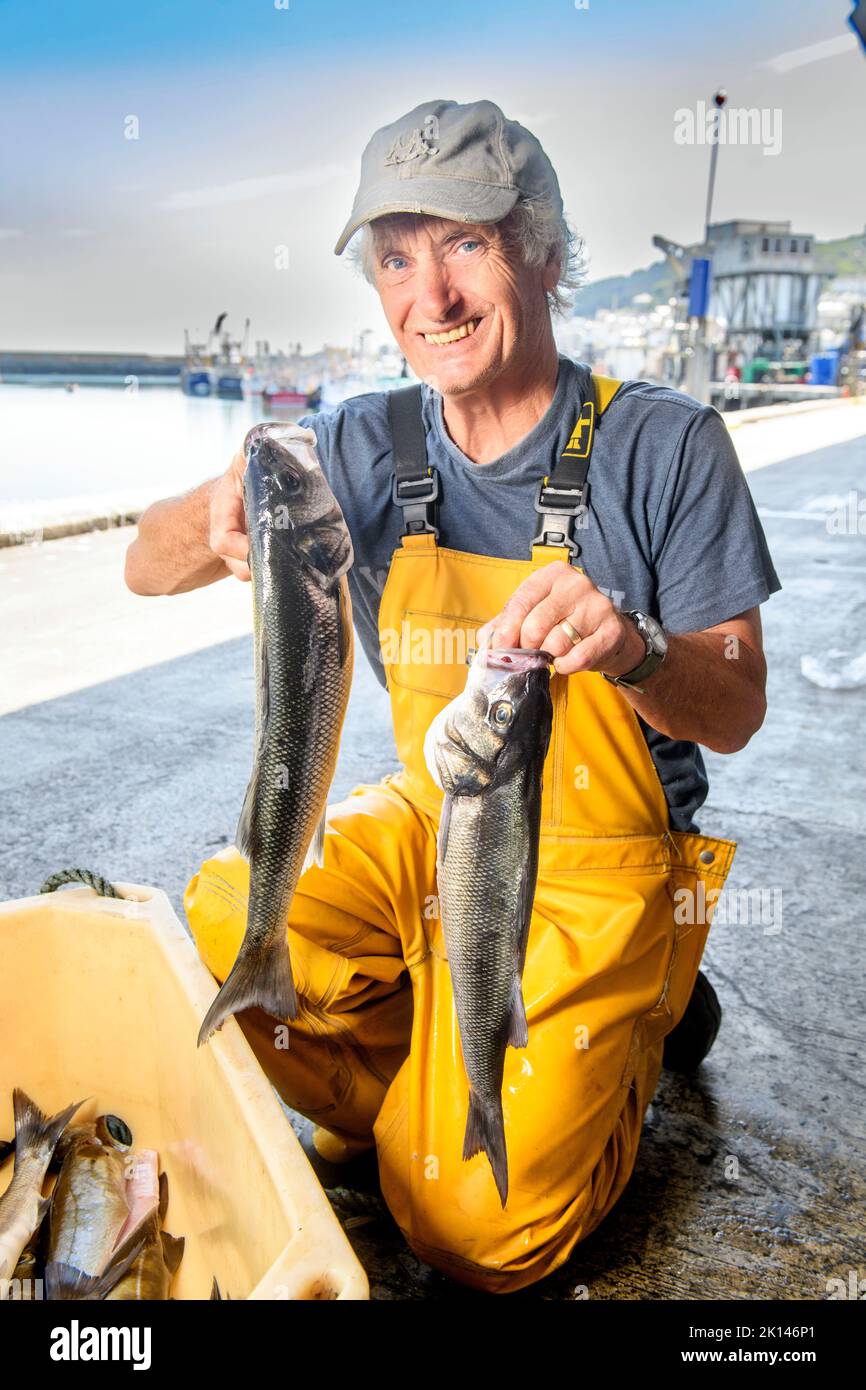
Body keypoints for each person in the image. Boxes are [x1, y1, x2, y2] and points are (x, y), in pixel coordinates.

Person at [125, 98, 780, 1294]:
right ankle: (438, 1094)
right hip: (442, 814)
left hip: (604, 859)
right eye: (394, 259)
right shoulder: (362, 442)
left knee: (479, 1240)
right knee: (227, 921)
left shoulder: (667, 445)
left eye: (465, 244)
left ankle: (637, 1029)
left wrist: (631, 646)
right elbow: (142, 565)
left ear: (540, 248)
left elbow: (734, 707)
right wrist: (210, 513)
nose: (430, 297)